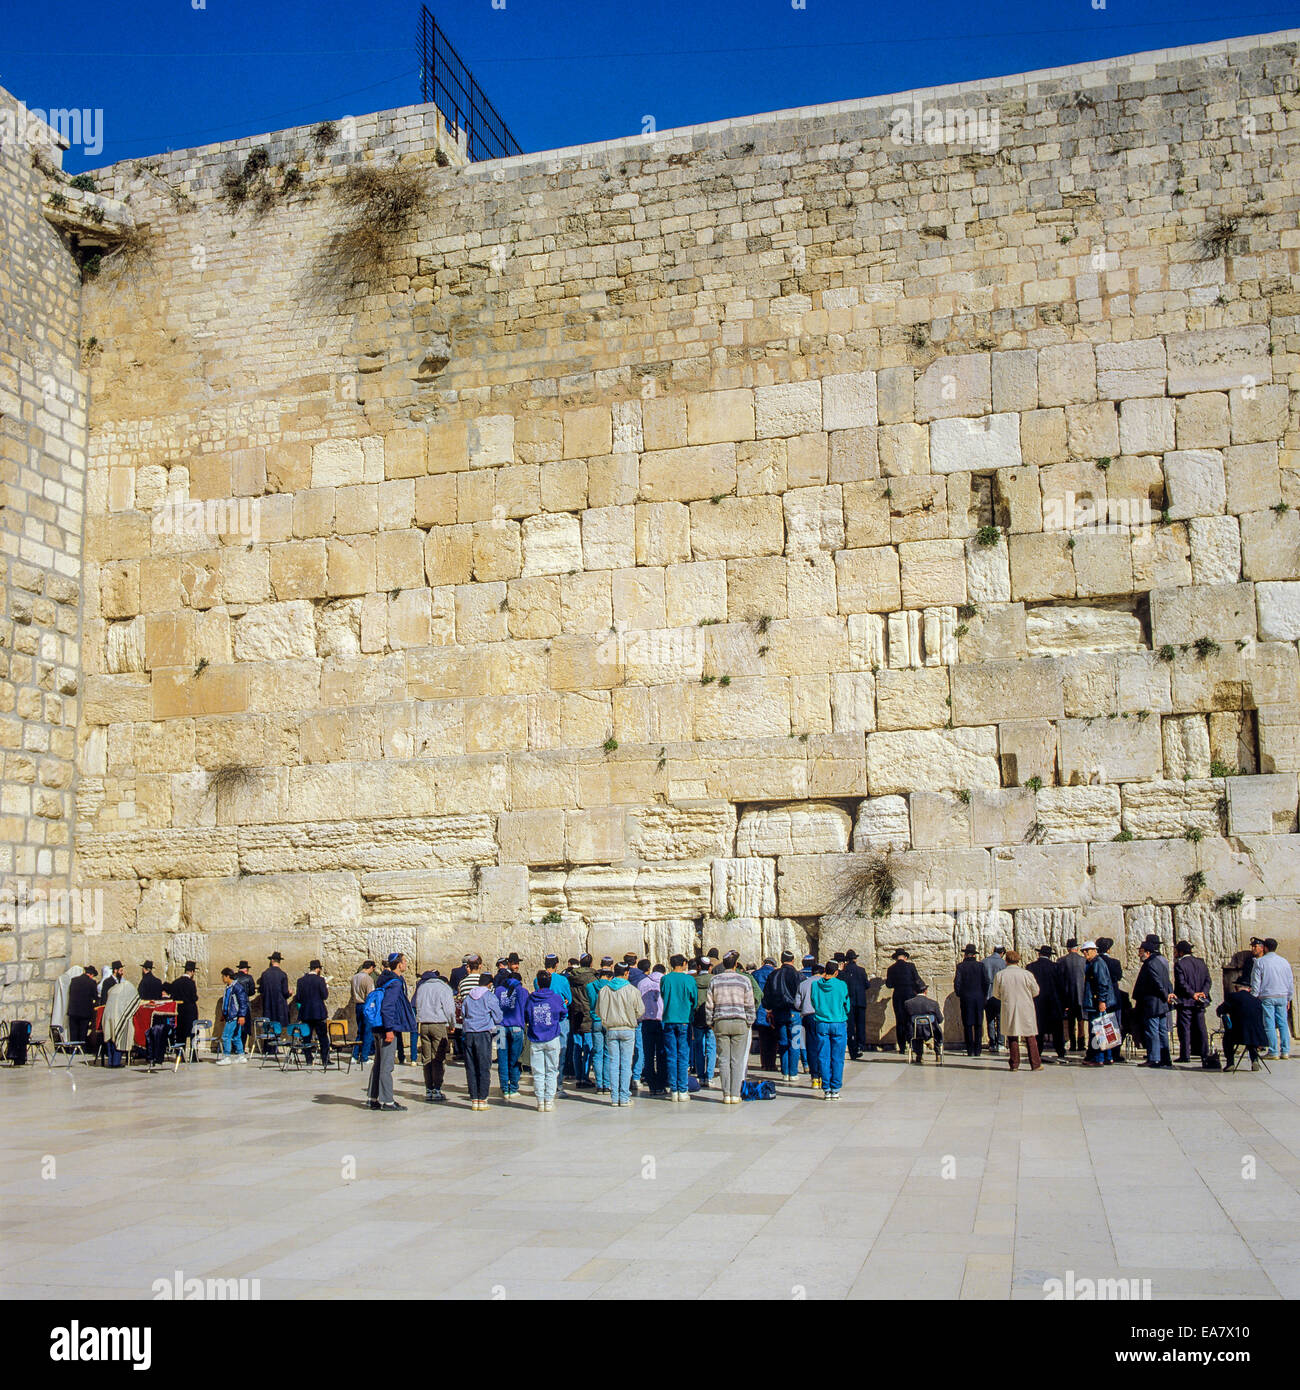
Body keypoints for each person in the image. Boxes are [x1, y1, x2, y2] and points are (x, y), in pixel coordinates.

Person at [367, 953, 415, 1112]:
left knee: (379, 1064)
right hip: (386, 1028)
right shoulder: (395, 983)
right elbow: (388, 1007)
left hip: (377, 1027)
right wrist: (389, 1030)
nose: (406, 963)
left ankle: (372, 1098)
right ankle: (387, 1101)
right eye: (404, 961)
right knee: (387, 1066)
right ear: (399, 964)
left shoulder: (383, 979)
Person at [706, 951, 757, 1103]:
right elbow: (750, 1003)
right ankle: (735, 1094)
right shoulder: (744, 980)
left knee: (723, 1059)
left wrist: (710, 1022)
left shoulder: (715, 980)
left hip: (721, 1021)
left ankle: (726, 1094)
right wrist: (750, 1021)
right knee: (737, 1059)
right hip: (739, 1022)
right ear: (736, 965)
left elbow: (709, 1005)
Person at [596, 961, 645, 1107]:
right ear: (626, 973)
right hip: (628, 1029)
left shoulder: (604, 990)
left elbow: (598, 1011)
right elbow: (640, 1010)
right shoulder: (632, 990)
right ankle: (624, 1097)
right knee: (625, 1064)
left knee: (613, 1062)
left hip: (611, 1029)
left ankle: (614, 1097)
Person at [525, 969, 568, 1111]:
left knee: (538, 1072)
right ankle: (549, 1100)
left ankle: (540, 1101)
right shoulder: (556, 998)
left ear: (537, 983)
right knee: (551, 1070)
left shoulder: (531, 998)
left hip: (536, 1038)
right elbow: (563, 1013)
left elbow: (526, 1015)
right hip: (552, 1037)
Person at [991, 949, 1042, 1072]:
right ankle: (1035, 1064)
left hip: (1009, 1007)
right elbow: (1036, 991)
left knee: (1012, 1036)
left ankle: (1014, 1064)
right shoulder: (1027, 974)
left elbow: (996, 994)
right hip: (1025, 1008)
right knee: (1030, 1036)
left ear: (1006, 961)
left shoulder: (1000, 975)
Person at [411, 967, 454, 1103]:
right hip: (438, 1024)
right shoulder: (444, 988)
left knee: (426, 1058)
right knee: (438, 1058)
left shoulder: (422, 987)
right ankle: (437, 1089)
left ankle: (429, 1089)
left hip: (424, 1025)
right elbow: (449, 1009)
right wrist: (452, 1024)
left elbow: (417, 1005)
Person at [461, 971, 503, 1110]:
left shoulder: (468, 997)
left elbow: (463, 1013)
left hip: (468, 1033)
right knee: (484, 1066)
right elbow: (498, 1017)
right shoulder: (489, 997)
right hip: (483, 1033)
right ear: (490, 984)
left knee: (471, 1066)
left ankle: (474, 1099)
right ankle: (483, 1099)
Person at [762, 950, 805, 1080]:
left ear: (781, 960)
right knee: (795, 1043)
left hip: (778, 1013)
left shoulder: (773, 975)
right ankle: (793, 1072)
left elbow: (766, 996)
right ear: (793, 960)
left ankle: (785, 1072)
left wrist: (769, 1010)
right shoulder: (798, 975)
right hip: (794, 1013)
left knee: (783, 1042)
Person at [810, 959, 850, 1099]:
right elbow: (847, 1004)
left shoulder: (815, 985)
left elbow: (813, 1002)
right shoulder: (841, 984)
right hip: (838, 1022)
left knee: (823, 1055)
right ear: (836, 972)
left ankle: (826, 1088)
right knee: (837, 1057)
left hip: (821, 1022)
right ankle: (835, 1088)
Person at [660, 954, 697, 1101]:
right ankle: (683, 1090)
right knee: (683, 1055)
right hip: (684, 1019)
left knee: (671, 1055)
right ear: (684, 963)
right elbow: (694, 998)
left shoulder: (665, 979)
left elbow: (663, 994)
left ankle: (673, 1090)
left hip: (669, 1019)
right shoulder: (688, 979)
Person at [1250, 937, 1293, 1060]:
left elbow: (1256, 982)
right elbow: (1290, 981)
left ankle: (1273, 1051)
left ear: (1265, 948)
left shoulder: (1260, 962)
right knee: (1283, 1023)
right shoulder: (1284, 961)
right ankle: (1285, 1051)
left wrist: (1253, 997)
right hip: (1282, 996)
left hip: (1267, 996)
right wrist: (1289, 998)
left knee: (1269, 1024)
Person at [1172, 941, 1212, 1064]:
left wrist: (1192, 994)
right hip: (1200, 1001)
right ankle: (1205, 1054)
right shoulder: (1201, 962)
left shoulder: (1179, 964)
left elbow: (1182, 983)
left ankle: (1185, 1055)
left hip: (1186, 1001)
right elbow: (1208, 980)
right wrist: (1202, 993)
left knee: (1185, 1029)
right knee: (1201, 1028)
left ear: (1181, 952)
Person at [1080, 941, 1118, 1067]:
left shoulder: (1097, 963)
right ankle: (1108, 1057)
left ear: (1094, 950)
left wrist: (1102, 1001)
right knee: (1103, 1028)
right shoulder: (1092, 963)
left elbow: (1102, 983)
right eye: (1083, 951)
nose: (1085, 953)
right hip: (1096, 1002)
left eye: (1087, 951)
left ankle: (1098, 1058)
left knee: (1097, 1031)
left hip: (1097, 1003)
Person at [494, 966, 530, 1099]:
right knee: (515, 1059)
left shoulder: (498, 991)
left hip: (500, 1028)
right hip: (516, 1027)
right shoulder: (523, 991)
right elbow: (526, 1010)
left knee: (502, 1058)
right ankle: (513, 1087)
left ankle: (504, 1087)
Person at [1026, 945, 1066, 1062]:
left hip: (1037, 1003)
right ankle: (1060, 1051)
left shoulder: (1031, 967)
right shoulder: (1056, 967)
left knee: (1038, 1028)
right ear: (1050, 955)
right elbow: (1061, 987)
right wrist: (1064, 1003)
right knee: (1057, 1029)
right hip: (1054, 1003)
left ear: (1039, 954)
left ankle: (1037, 1052)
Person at [1218, 983, 1269, 1071]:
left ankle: (1230, 1063)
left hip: (1238, 1034)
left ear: (1236, 988)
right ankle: (1254, 1060)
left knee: (1227, 1038)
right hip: (1257, 1035)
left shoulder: (1232, 997)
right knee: (1250, 1036)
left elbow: (1220, 1010)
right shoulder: (1257, 1001)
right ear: (1249, 989)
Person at [1095, 936, 1129, 1064]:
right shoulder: (1115, 962)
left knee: (1101, 1024)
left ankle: (1102, 1053)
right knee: (1114, 1025)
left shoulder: (1095, 961)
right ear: (1108, 950)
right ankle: (1114, 1053)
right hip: (1114, 996)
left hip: (1100, 997)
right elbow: (1118, 977)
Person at [885, 949, 925, 1056]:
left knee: (900, 1021)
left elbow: (889, 984)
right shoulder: (911, 966)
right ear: (905, 957)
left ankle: (902, 1047)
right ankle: (912, 1044)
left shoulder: (891, 969)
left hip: (898, 996)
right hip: (910, 996)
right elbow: (917, 980)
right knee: (911, 1020)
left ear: (896, 958)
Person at [292, 961, 331, 1067]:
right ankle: (325, 1059)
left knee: (306, 1037)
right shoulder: (321, 980)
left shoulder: (301, 981)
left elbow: (298, 998)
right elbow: (324, 996)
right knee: (323, 1037)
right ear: (318, 969)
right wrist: (326, 987)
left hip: (305, 1012)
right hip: (318, 1013)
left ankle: (309, 1059)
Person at [566, 955, 596, 1087]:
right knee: (588, 1046)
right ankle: (585, 1076)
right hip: (588, 1015)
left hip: (575, 1014)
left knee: (577, 1047)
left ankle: (578, 1077)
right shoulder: (592, 979)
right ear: (591, 963)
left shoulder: (570, 978)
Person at [637, 962, 666, 1095]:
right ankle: (661, 1084)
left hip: (646, 1022)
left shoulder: (642, 982)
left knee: (648, 1054)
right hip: (661, 1021)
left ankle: (652, 1085)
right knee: (661, 1053)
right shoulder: (665, 981)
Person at [102, 973, 140, 1068]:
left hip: (108, 1015)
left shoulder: (114, 988)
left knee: (110, 1038)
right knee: (118, 1038)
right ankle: (116, 1062)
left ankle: (111, 1061)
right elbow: (135, 1001)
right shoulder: (127, 989)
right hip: (118, 1015)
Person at [953, 944, 986, 1057]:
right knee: (978, 1023)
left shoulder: (961, 966)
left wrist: (960, 994)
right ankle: (978, 1050)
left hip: (966, 998)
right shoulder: (980, 966)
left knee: (967, 1024)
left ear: (966, 955)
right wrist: (983, 996)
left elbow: (957, 983)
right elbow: (985, 982)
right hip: (979, 998)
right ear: (974, 955)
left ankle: (970, 1050)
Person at [586, 961, 613, 1094]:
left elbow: (591, 1003)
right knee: (607, 1053)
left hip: (596, 1020)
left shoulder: (590, 987)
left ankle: (599, 1084)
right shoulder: (612, 987)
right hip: (608, 1021)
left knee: (597, 1053)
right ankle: (607, 1085)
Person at [795, 955, 822, 1088]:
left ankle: (815, 1077)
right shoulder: (824, 982)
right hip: (822, 1017)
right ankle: (823, 1075)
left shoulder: (802, 983)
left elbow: (797, 1004)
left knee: (810, 1046)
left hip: (808, 1017)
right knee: (823, 1045)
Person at [1057, 939, 1088, 1052]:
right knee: (1081, 1021)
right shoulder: (1084, 960)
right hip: (1082, 995)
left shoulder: (1061, 961)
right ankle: (1082, 1043)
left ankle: (1073, 1044)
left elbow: (1059, 981)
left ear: (1067, 949)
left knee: (1070, 1021)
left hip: (1067, 996)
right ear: (1077, 948)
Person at [164, 961, 199, 1057]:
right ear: (192, 972)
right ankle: (194, 1056)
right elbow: (194, 997)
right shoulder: (191, 983)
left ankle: (180, 1055)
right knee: (193, 1033)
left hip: (179, 1012)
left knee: (180, 1034)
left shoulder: (176, 982)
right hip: (190, 1012)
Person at [903, 987, 944, 1065]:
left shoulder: (908, 1003)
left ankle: (919, 1054)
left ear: (915, 992)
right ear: (926, 991)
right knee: (937, 1031)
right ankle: (938, 1054)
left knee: (914, 1028)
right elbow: (940, 1019)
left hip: (915, 1032)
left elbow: (905, 1020)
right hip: (931, 1031)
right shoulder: (933, 1003)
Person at [216, 967, 248, 1065]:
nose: (222, 978)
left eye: (223, 976)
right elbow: (227, 1003)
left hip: (234, 1016)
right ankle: (241, 1056)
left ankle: (226, 1057)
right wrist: (224, 1014)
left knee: (226, 1036)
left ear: (228, 976)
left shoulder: (237, 987)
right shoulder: (228, 987)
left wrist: (242, 1015)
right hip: (230, 1015)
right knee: (236, 1036)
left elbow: (243, 1002)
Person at [841, 949, 869, 1061]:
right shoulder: (861, 970)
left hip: (849, 1003)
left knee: (851, 1026)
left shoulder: (844, 972)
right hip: (861, 1002)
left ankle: (853, 1049)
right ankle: (860, 1046)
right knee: (861, 1025)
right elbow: (867, 985)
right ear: (855, 959)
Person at [751, 956, 778, 1071]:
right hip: (772, 1011)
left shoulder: (755, 974)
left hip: (760, 1011)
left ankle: (764, 1064)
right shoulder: (776, 974)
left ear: (763, 963)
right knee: (773, 1039)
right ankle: (771, 1064)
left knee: (763, 1040)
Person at [981, 945, 1007, 1053]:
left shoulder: (984, 962)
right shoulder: (1003, 963)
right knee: (1001, 1020)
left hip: (987, 995)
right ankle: (1000, 1043)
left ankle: (992, 1043)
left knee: (990, 1019)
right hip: (999, 995)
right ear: (1002, 953)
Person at [350, 960, 377, 1064]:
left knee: (360, 1031)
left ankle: (355, 1055)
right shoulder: (368, 979)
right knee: (368, 1032)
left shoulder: (354, 977)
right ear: (370, 967)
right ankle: (364, 1057)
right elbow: (370, 996)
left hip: (357, 1005)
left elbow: (352, 993)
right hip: (366, 1006)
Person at [259, 952, 291, 1038]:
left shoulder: (265, 974)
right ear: (279, 961)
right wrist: (289, 993)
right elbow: (285, 993)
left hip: (268, 1005)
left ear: (272, 960)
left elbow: (261, 990)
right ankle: (275, 1047)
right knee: (277, 1028)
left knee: (268, 1027)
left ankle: (268, 1048)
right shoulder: (283, 974)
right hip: (279, 1006)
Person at [68, 965, 99, 1046]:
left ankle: (73, 1049)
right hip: (85, 1012)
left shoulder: (74, 980)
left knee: (73, 1032)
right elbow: (95, 996)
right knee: (83, 1032)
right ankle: (81, 1049)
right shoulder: (91, 982)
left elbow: (70, 993)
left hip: (73, 1011)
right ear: (91, 975)